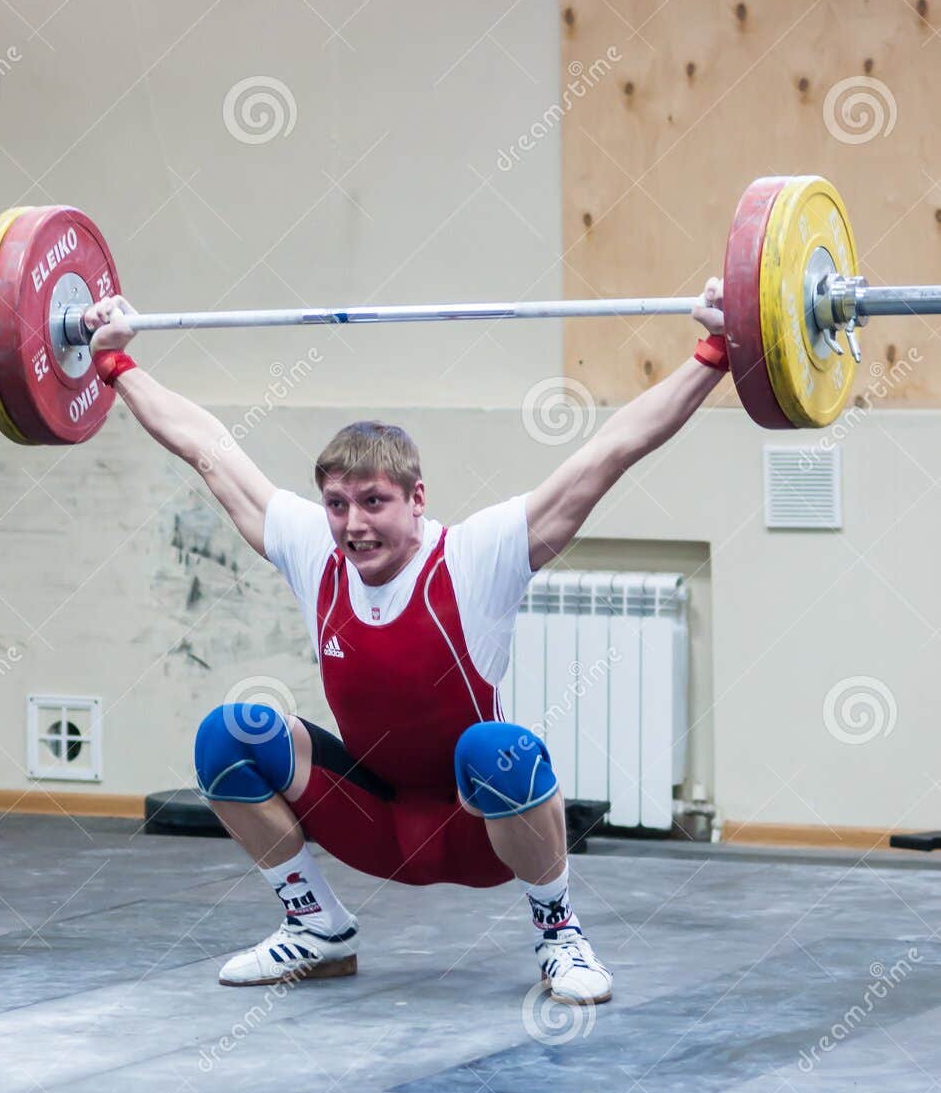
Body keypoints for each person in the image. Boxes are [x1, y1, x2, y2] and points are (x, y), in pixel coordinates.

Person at [84, 284, 727, 1007]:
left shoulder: (477, 555)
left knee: (499, 748)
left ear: (416, 499)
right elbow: (207, 449)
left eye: (373, 502)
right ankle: (317, 926)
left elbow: (610, 451)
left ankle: (558, 934)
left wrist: (713, 353)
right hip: (374, 824)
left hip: (478, 826)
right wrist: (114, 367)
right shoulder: (310, 549)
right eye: (336, 504)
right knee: (230, 736)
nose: (352, 523)